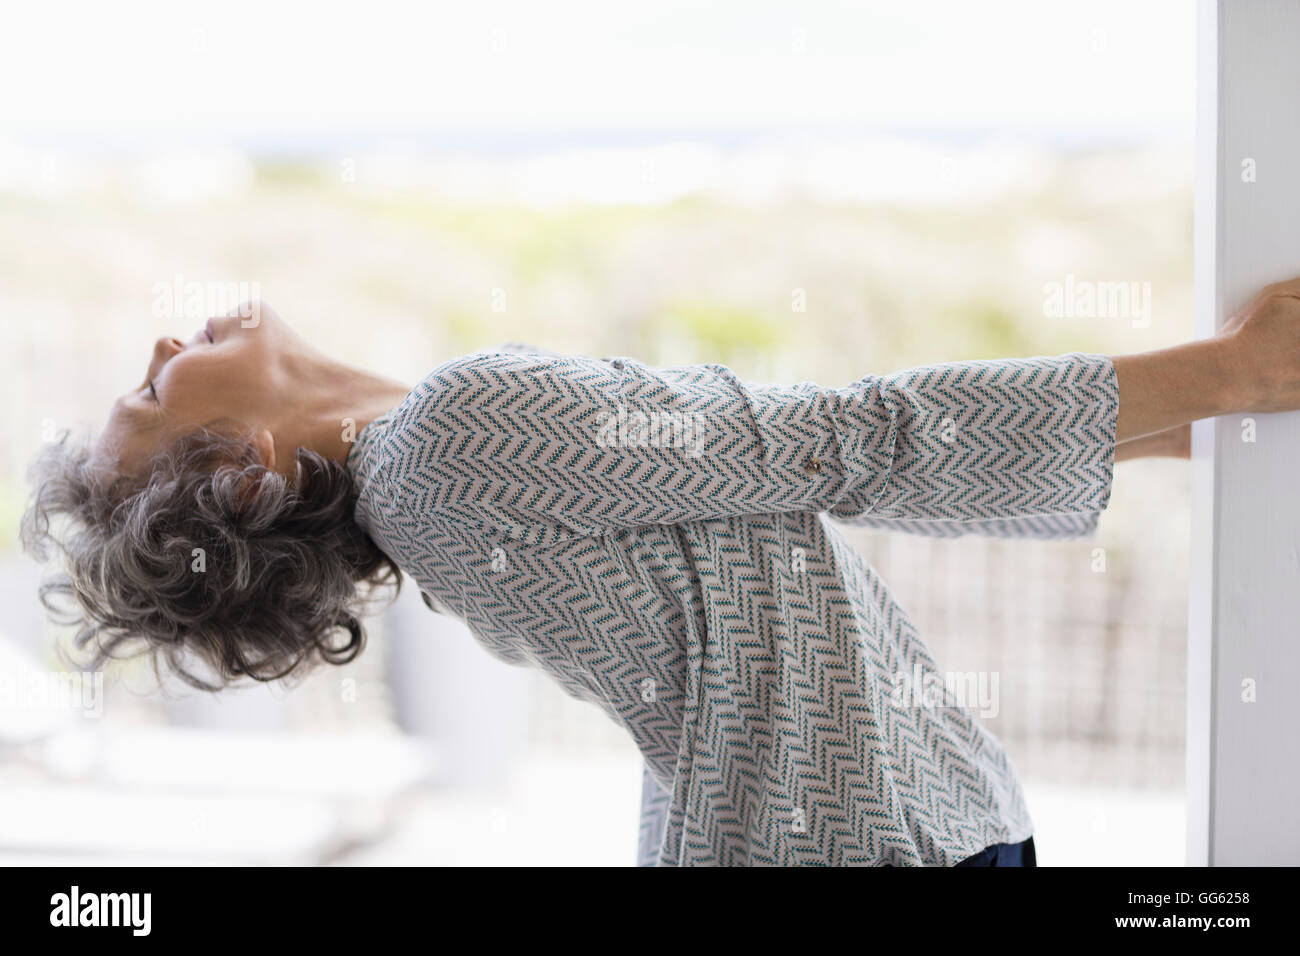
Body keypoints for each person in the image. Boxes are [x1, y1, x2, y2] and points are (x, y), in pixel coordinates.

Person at [22, 285, 1300, 865]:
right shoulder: (460, 441)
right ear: (249, 476)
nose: (155, 344)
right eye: (151, 389)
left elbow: (831, 463)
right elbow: (855, 440)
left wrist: (1223, 412)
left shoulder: (432, 494)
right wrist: (1233, 375)